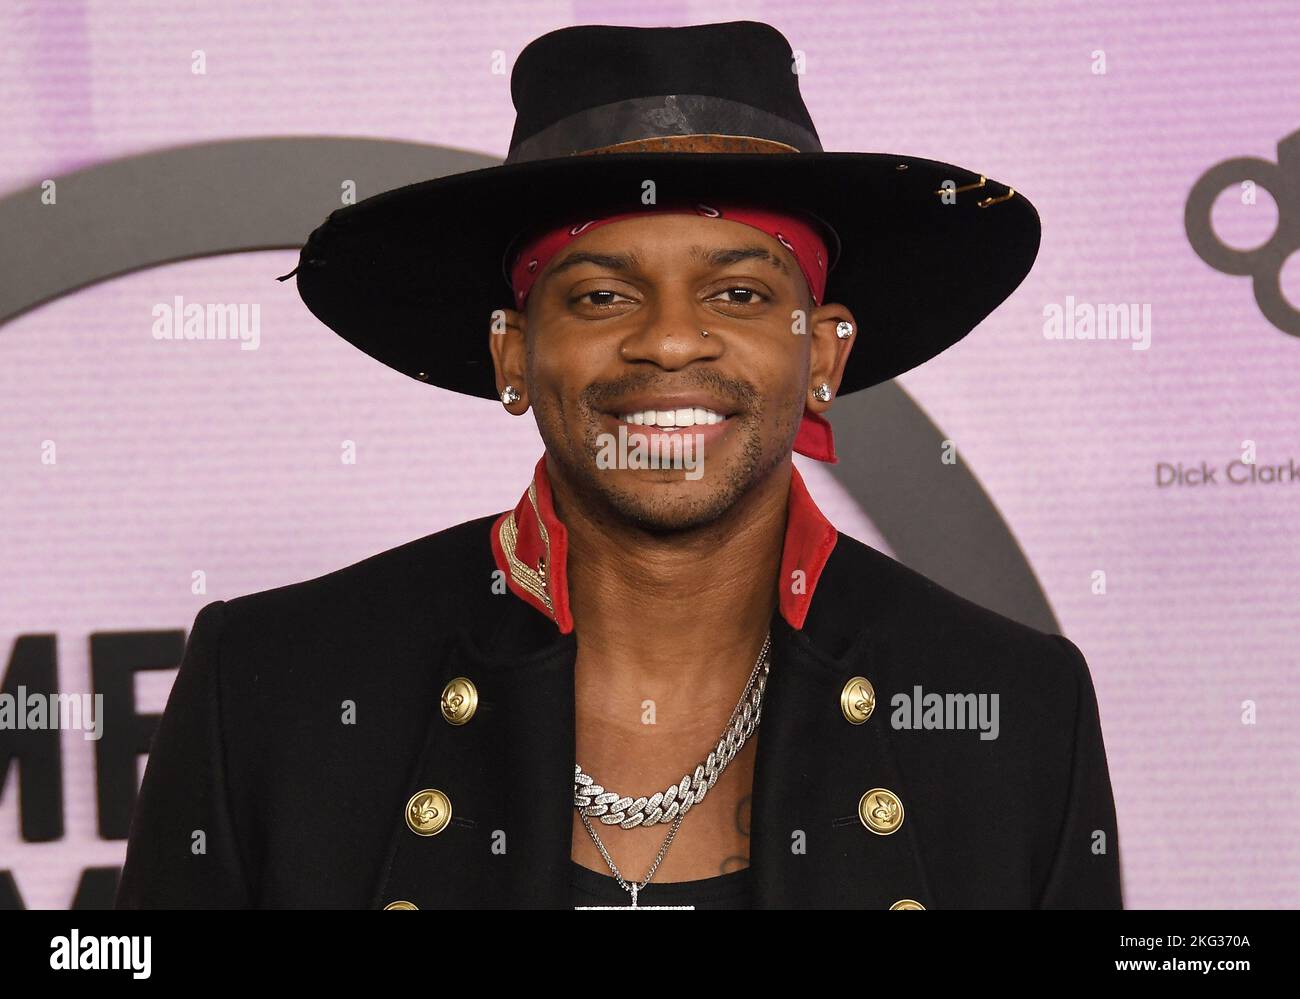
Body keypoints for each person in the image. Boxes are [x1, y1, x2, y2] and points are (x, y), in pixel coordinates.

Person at [115, 20, 1122, 909]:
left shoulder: (1016, 710)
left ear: (821, 354)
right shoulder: (271, 685)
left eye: (738, 294)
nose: (671, 343)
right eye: (600, 296)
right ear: (513, 353)